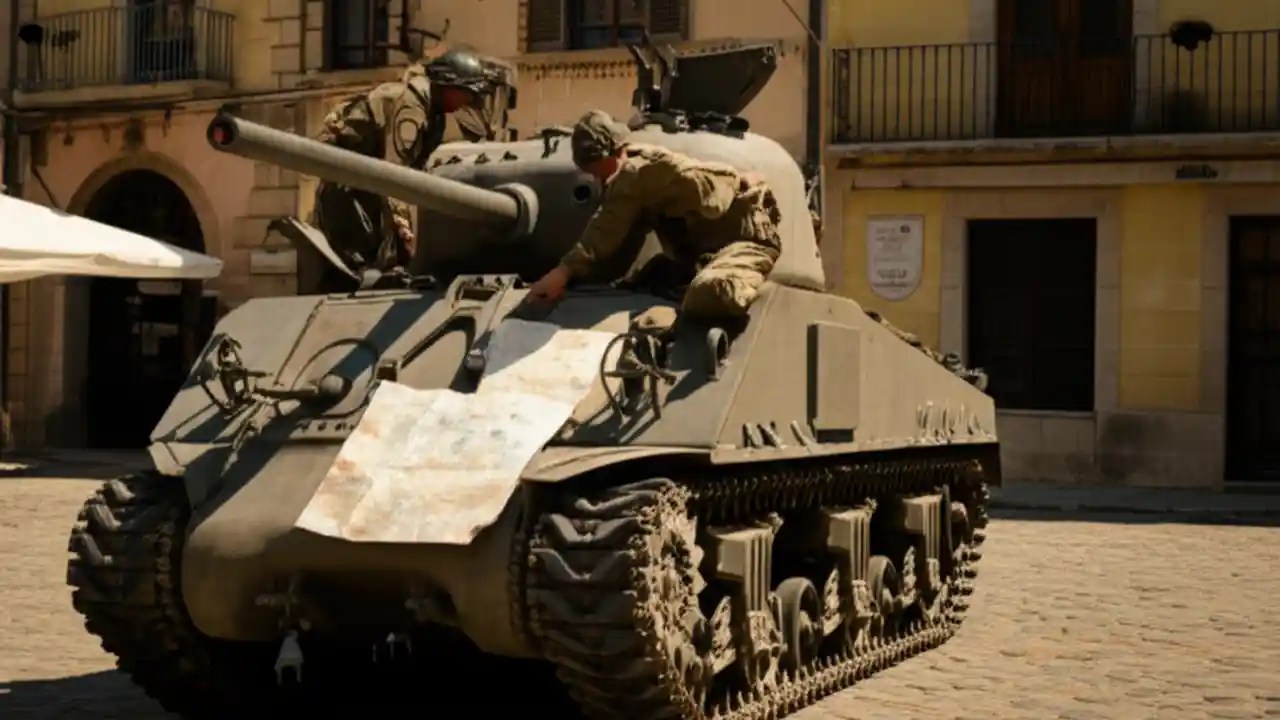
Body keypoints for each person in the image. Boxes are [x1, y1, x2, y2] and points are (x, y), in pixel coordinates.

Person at [527, 109, 784, 340]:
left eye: (595, 167)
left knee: (711, 291)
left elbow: (605, 228)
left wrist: (562, 272)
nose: (594, 175)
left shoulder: (638, 173)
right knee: (647, 282)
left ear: (611, 153)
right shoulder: (632, 169)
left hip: (744, 241)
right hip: (695, 253)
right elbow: (614, 235)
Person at [309, 47, 499, 287]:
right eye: (465, 94)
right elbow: (396, 176)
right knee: (361, 250)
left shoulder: (435, 115)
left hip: (370, 174)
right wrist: (404, 230)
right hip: (345, 172)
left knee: (391, 245)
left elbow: (413, 175)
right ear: (447, 86)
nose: (467, 102)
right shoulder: (410, 107)